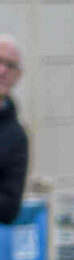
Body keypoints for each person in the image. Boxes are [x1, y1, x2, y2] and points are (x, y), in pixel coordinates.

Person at [0, 34, 28, 224]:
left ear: (18, 76)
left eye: (10, 65)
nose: (2, 70)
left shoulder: (16, 137)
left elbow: (9, 208)